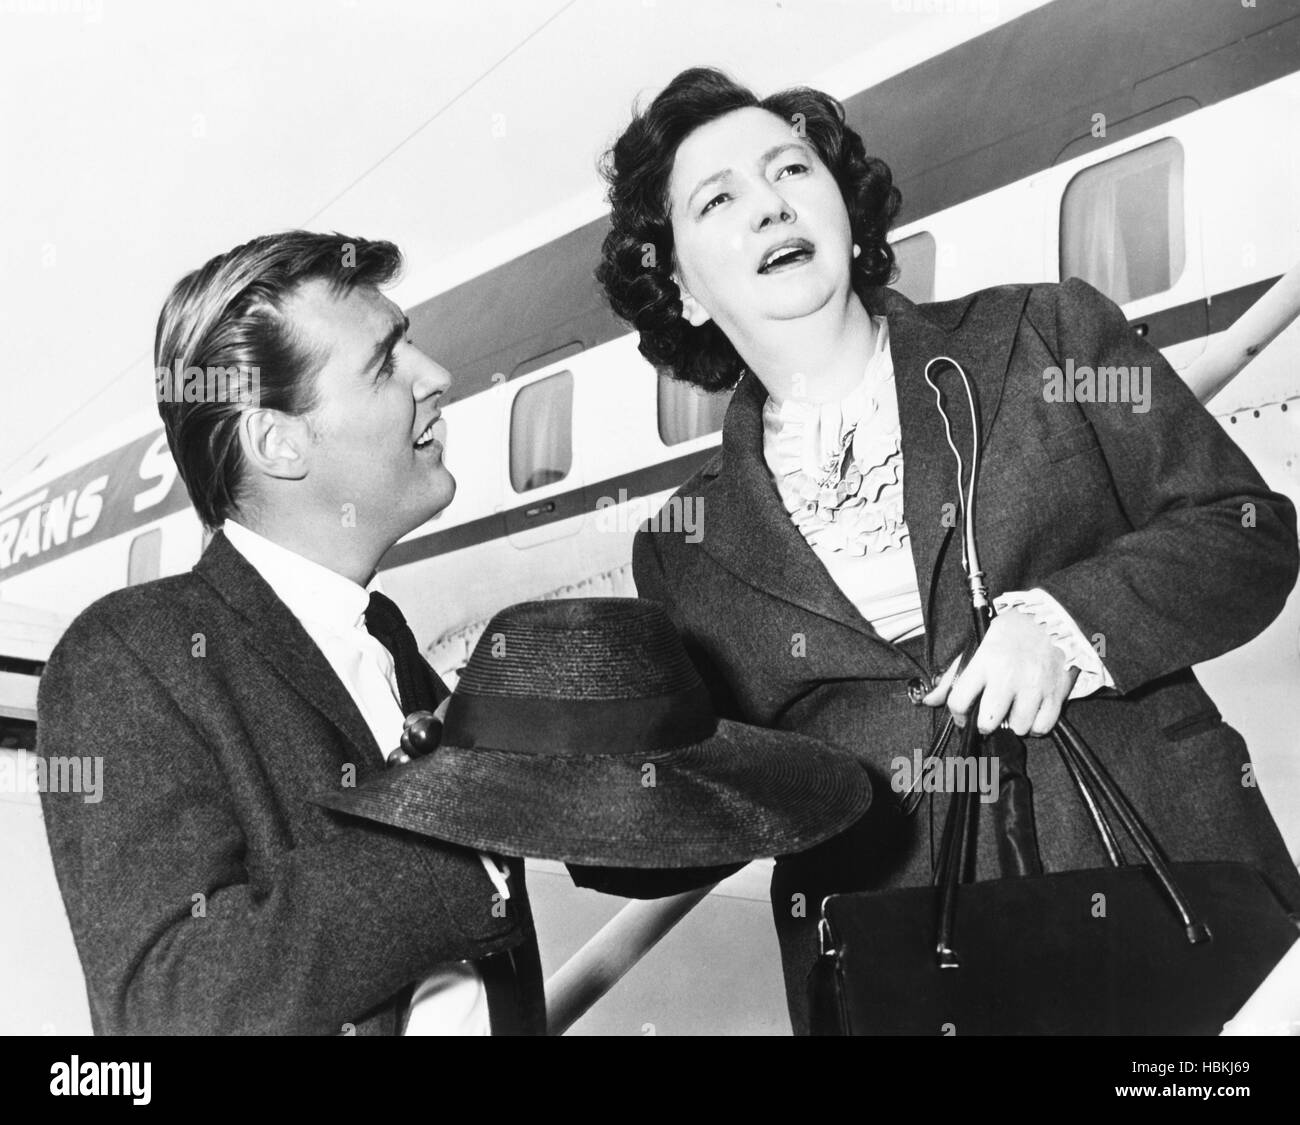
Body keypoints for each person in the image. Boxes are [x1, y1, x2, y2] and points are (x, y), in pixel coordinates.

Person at [594, 67, 1300, 1034]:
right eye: (719, 199)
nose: (770, 207)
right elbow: (713, 799)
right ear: (679, 284)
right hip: (907, 968)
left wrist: (1064, 626)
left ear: (843, 205)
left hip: (1171, 888)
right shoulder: (683, 549)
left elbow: (1243, 531)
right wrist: (560, 778)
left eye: (791, 168)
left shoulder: (1046, 334)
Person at [37, 231, 544, 1035]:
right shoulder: (127, 656)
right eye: (386, 362)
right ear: (278, 442)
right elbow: (169, 1007)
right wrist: (458, 837)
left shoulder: (387, 643)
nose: (438, 377)